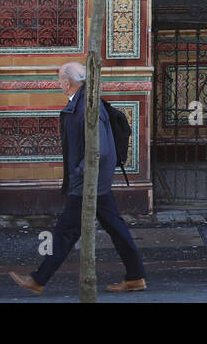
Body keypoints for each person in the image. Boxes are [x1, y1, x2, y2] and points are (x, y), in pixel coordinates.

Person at [10, 62, 148, 294]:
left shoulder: (85, 106)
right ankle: (135, 277)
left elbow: (100, 150)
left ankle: (38, 280)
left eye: (59, 79)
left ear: (67, 82)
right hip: (94, 181)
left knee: (66, 232)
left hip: (87, 184)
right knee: (114, 228)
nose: (58, 84)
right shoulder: (85, 102)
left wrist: (79, 171)